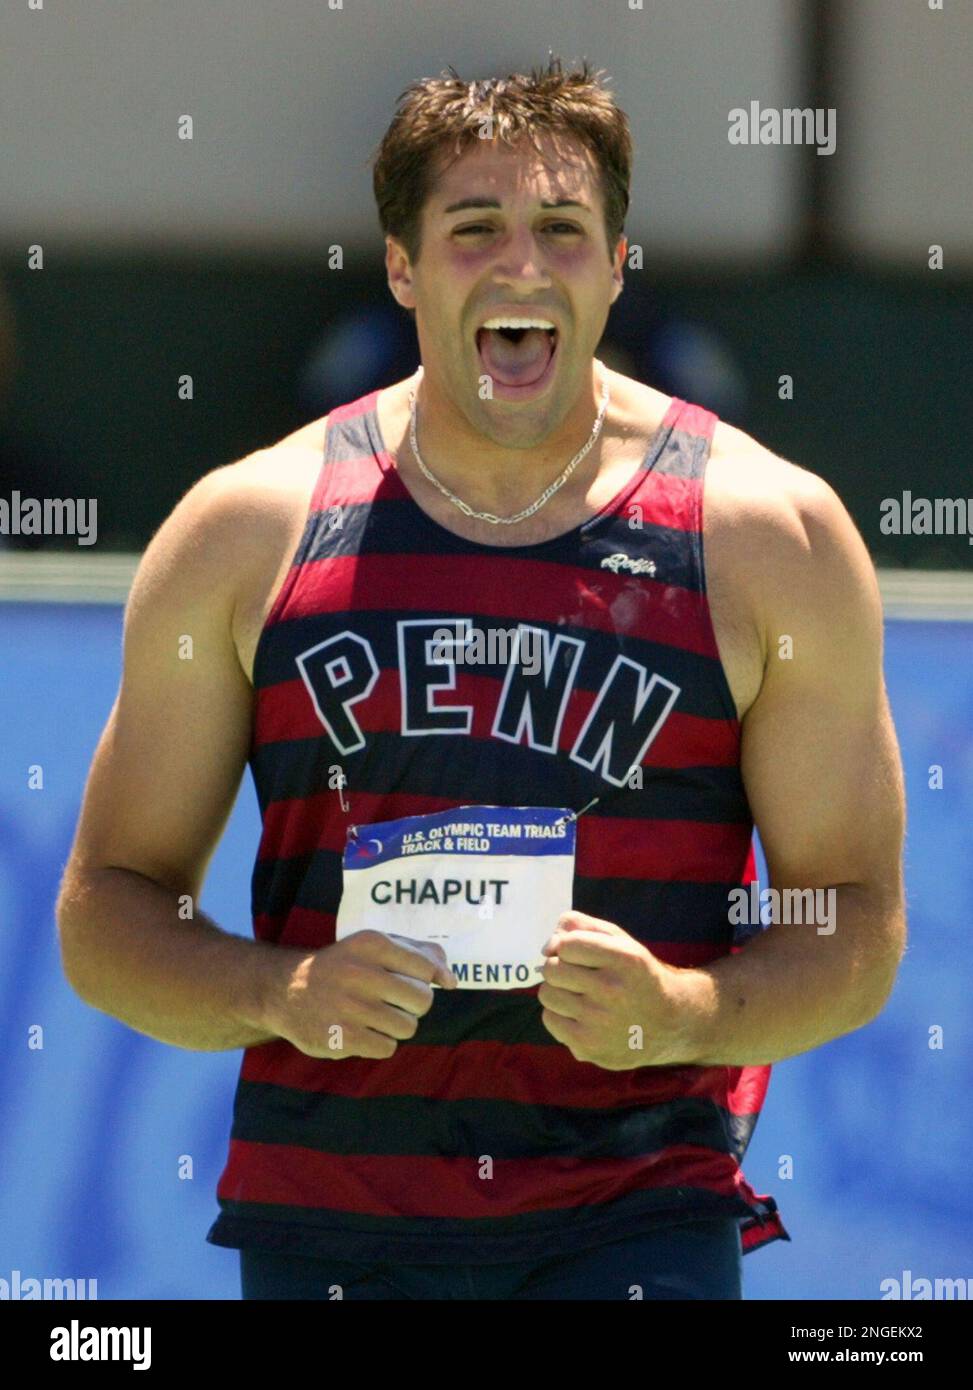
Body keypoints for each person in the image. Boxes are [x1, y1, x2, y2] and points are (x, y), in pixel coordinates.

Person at [56, 57, 906, 1301]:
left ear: (618, 266)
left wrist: (682, 1013)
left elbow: (855, 923)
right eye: (473, 230)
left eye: (562, 229)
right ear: (400, 266)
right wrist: (282, 990)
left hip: (638, 1210)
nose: (521, 266)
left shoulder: (770, 538)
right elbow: (106, 914)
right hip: (327, 1220)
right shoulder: (246, 532)